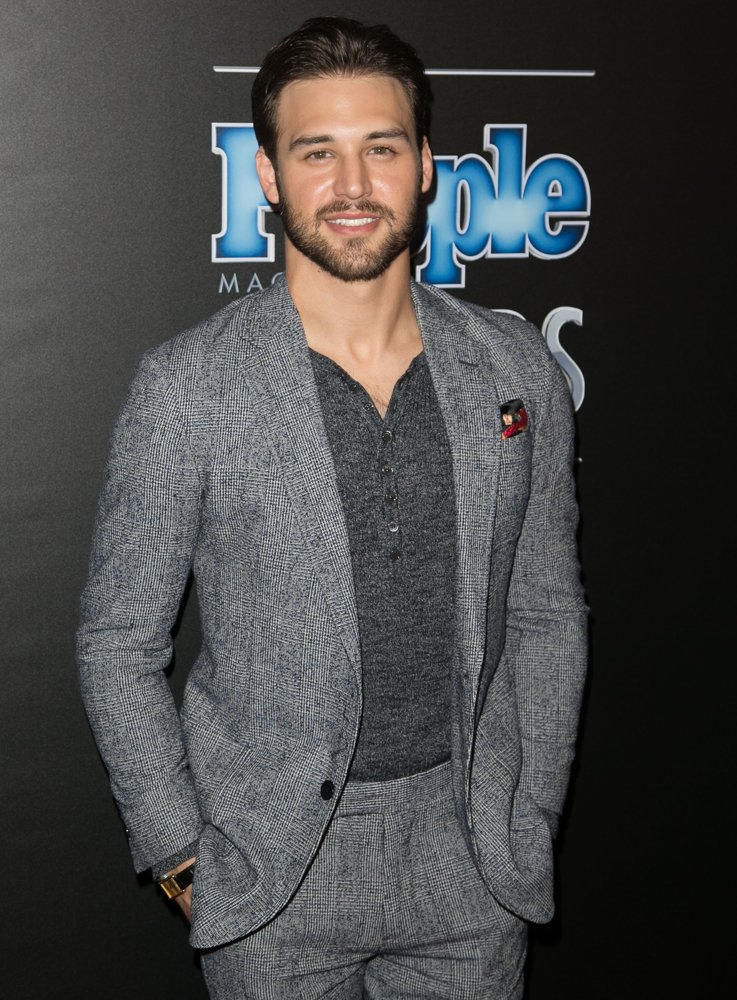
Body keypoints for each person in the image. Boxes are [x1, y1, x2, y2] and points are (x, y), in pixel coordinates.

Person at [76, 15, 588, 999]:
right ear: (267, 175)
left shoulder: (513, 366)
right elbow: (117, 645)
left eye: (380, 149)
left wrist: (528, 815)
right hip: (269, 872)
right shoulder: (188, 387)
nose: (352, 186)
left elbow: (545, 612)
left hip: (471, 857)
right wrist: (182, 859)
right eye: (317, 152)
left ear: (425, 166)